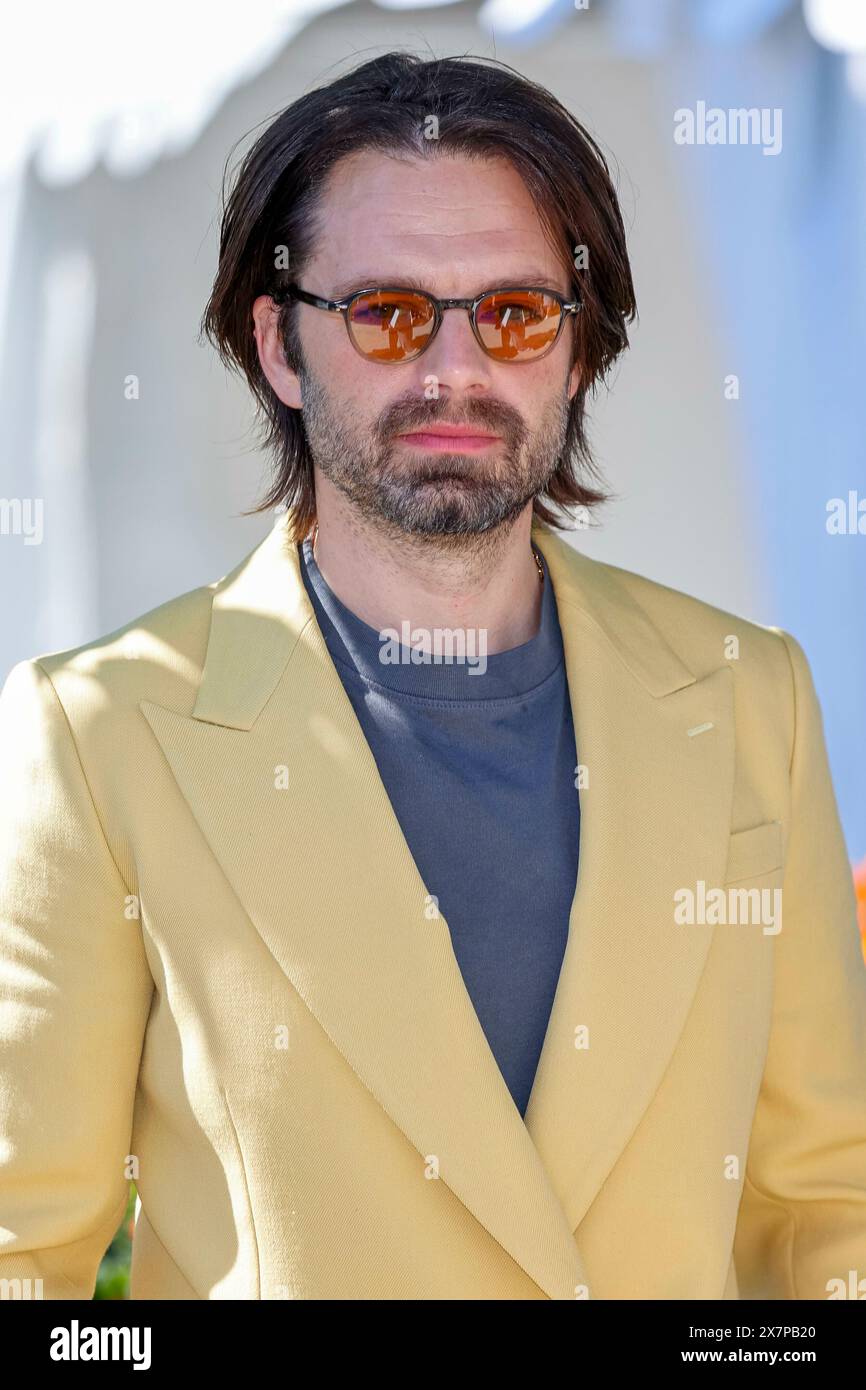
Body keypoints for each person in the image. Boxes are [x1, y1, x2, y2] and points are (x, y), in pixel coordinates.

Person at [1, 51, 864, 1302]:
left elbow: (823, 1209)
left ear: (576, 353)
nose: (452, 370)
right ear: (280, 347)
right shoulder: (96, 733)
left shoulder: (748, 699)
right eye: (389, 312)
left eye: (512, 313)